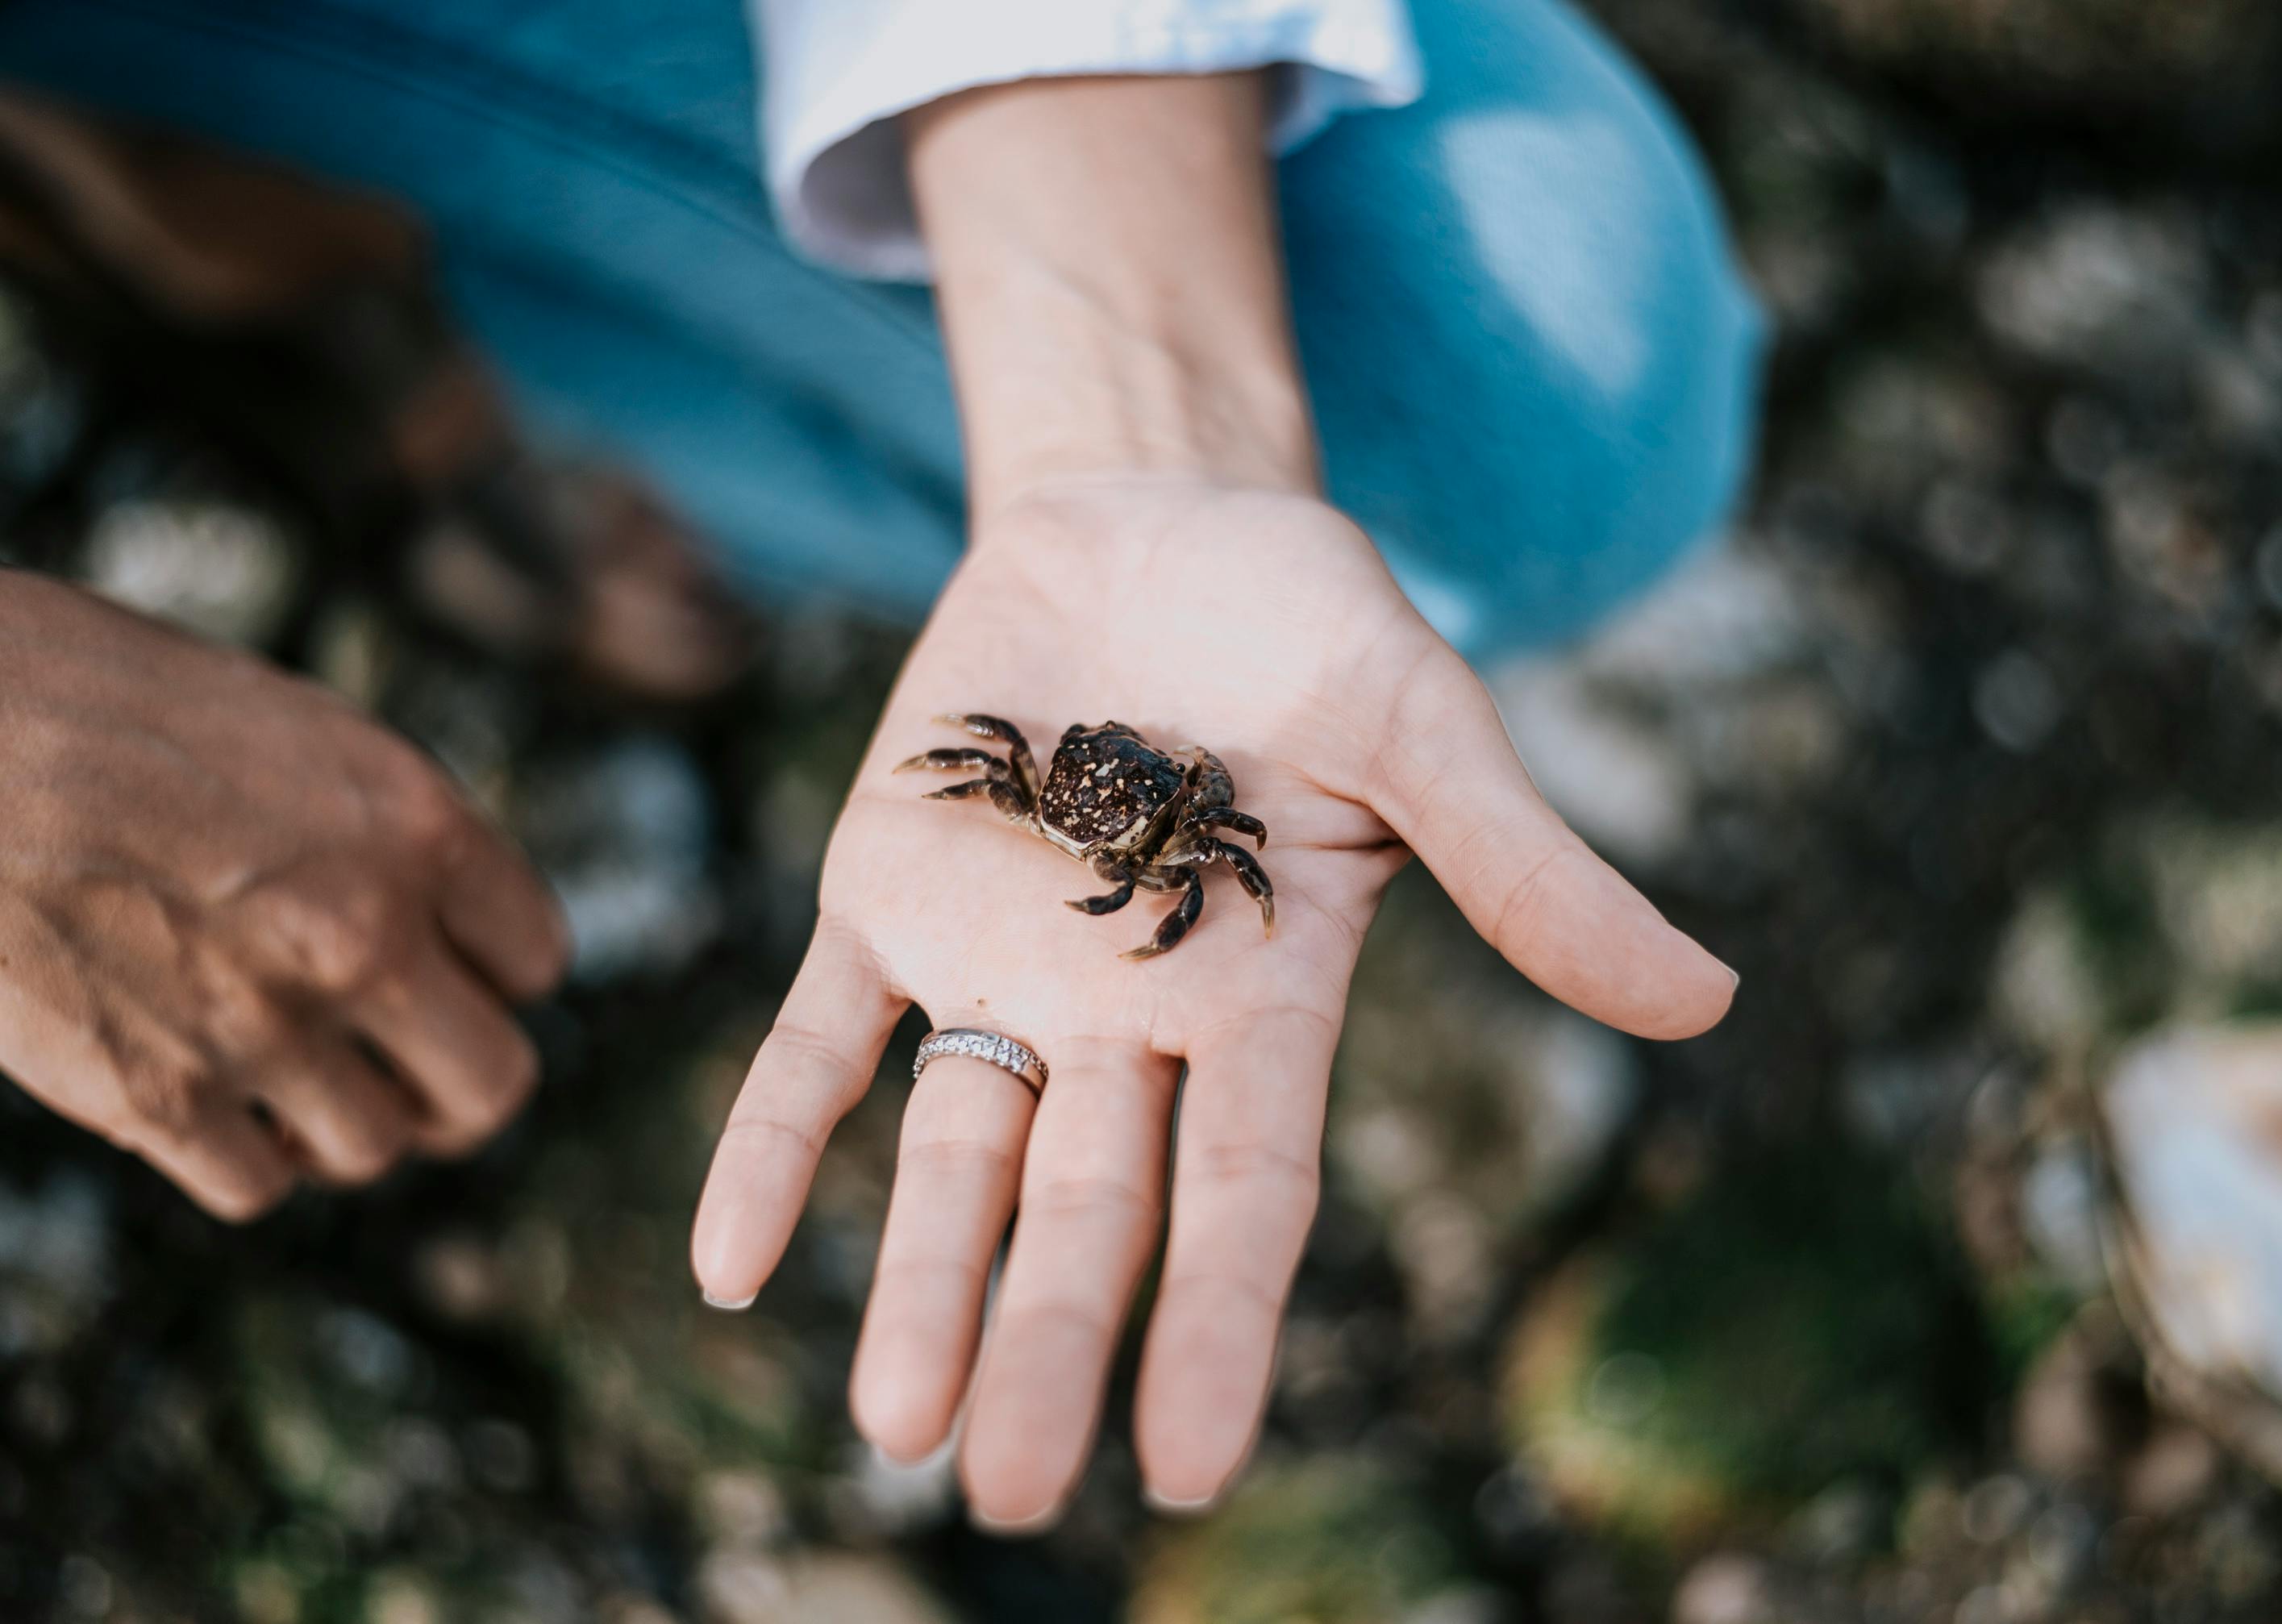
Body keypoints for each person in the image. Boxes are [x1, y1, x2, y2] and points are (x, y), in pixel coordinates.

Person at [0, 0, 1760, 1530]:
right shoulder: (1071, 785)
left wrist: (1138, 447)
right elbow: (1038, 785)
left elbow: (1168, 840)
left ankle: (496, 326)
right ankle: (295, 242)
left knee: (1536, 420)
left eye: (1142, 825)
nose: (1132, 830)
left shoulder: (1154, 808)